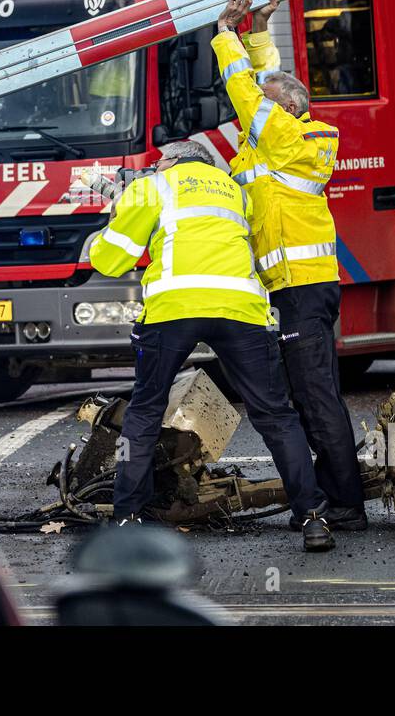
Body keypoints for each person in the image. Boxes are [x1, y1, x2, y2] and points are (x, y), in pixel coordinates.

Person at [87, 140, 336, 552]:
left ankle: (128, 517)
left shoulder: (155, 187)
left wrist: (112, 219)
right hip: (241, 308)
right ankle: (312, 518)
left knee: (146, 408)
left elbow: (111, 259)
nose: (154, 165)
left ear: (173, 162)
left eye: (159, 160)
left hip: (175, 307)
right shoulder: (235, 191)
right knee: (275, 414)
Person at [210, 0, 368, 532]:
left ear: (288, 110)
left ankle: (346, 503)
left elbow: (246, 91)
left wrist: (225, 33)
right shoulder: (281, 137)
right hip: (299, 286)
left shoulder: (281, 137)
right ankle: (336, 492)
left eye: (269, 101)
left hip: (300, 287)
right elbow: (266, 79)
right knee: (310, 393)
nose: (260, 103)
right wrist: (258, 32)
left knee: (316, 394)